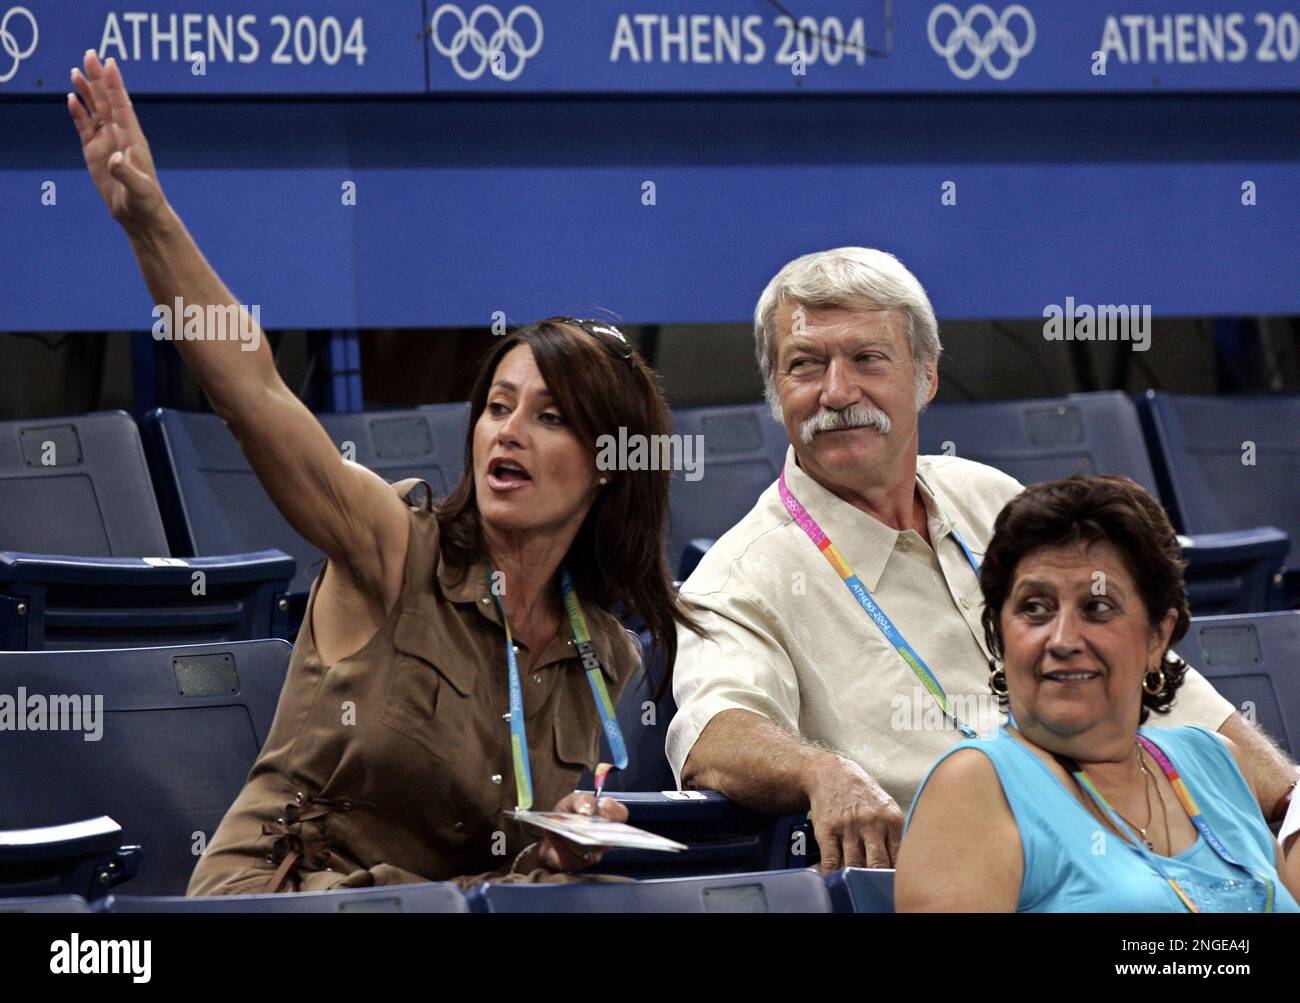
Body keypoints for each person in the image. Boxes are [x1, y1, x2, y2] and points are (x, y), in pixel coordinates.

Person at [68, 49, 700, 893]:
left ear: (609, 466)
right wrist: (148, 219)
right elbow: (254, 392)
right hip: (291, 896)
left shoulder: (603, 651)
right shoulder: (394, 543)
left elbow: (498, 852)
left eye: (550, 418)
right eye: (498, 405)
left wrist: (556, 852)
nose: (507, 432)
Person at [667, 246, 1298, 873]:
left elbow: (1152, 678)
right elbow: (714, 734)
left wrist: (1290, 800)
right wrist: (820, 770)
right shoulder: (738, 576)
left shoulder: (990, 498)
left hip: (1141, 851)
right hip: (976, 874)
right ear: (776, 390)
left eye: (867, 359)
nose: (837, 392)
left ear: (927, 375)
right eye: (805, 365)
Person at [896, 475, 1300, 912]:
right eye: (1035, 608)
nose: (1063, 639)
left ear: (1156, 638)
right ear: (999, 632)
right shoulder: (976, 787)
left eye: (1097, 608)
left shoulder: (1217, 761)